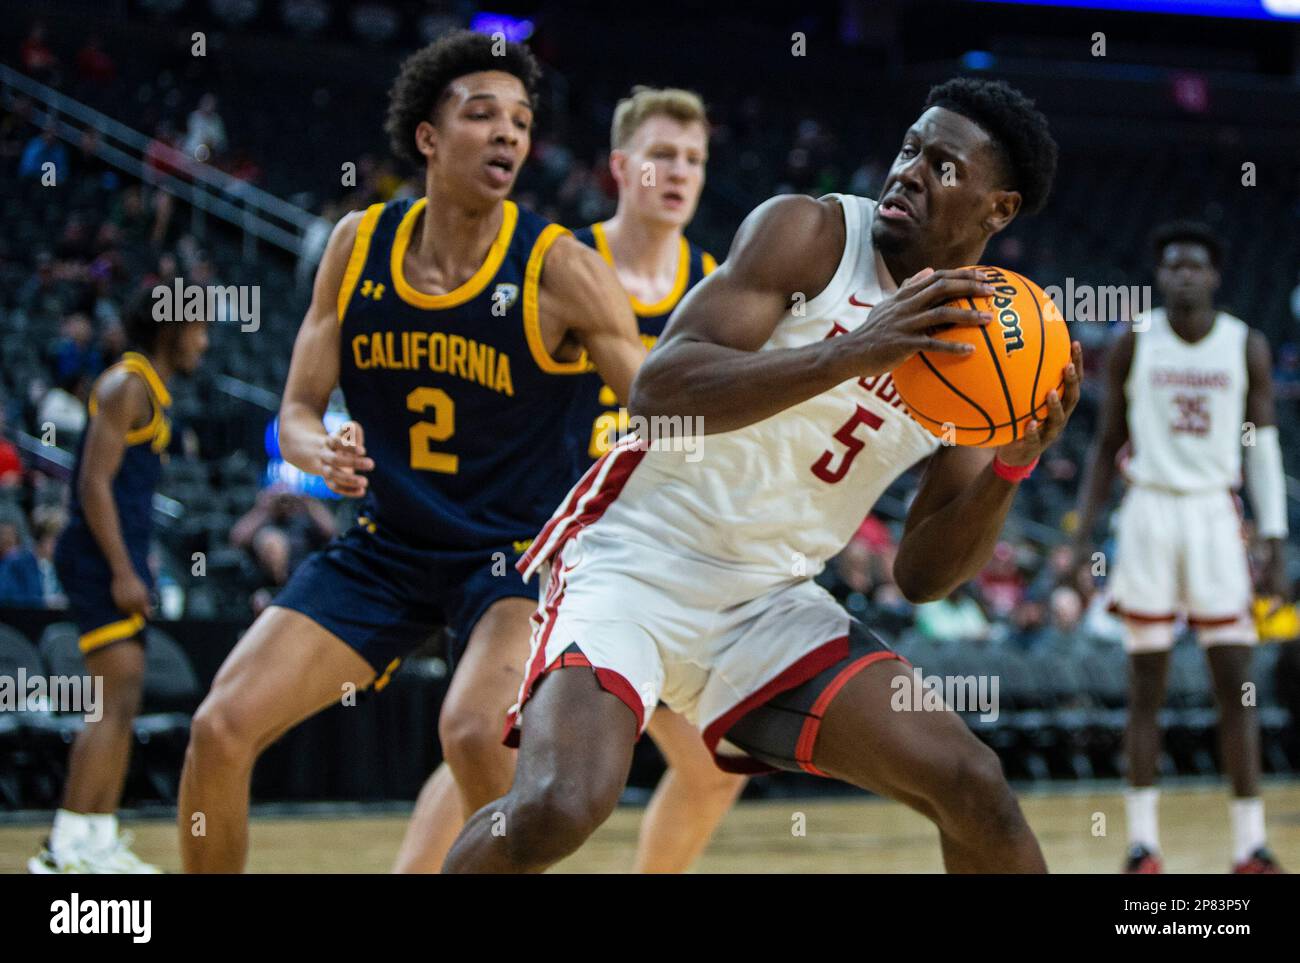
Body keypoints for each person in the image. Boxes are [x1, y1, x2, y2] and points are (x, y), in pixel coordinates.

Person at [444, 77, 1078, 873]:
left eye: (944, 166)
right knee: (557, 803)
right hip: (633, 558)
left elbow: (920, 576)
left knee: (972, 781)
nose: (910, 171)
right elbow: (657, 392)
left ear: (999, 209)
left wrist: (1014, 463)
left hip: (766, 600)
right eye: (911, 148)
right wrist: (849, 352)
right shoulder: (809, 233)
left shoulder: (991, 349)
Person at [176, 30, 645, 873]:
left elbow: (656, 402)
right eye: (482, 114)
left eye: (521, 120)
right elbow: (295, 410)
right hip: (388, 545)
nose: (508, 133)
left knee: (470, 729)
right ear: (427, 138)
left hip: (515, 554)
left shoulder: (558, 267)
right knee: (220, 726)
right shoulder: (358, 246)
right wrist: (318, 449)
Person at [393, 86, 744, 874]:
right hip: (551, 552)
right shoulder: (556, 263)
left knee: (714, 765)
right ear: (620, 167)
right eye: (660, 155)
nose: (678, 172)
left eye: (693, 159)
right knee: (490, 741)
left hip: (661, 560)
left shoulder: (719, 283)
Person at [1072, 220, 1288, 874]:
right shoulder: (1133, 342)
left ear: (1215, 275)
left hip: (1215, 515)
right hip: (1148, 512)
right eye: (1172, 265)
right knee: (1146, 687)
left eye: (1195, 265)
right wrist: (1083, 535)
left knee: (1236, 684)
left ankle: (1249, 844)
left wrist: (1273, 535)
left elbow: (1264, 448)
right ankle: (1142, 843)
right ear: (1159, 274)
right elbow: (1107, 445)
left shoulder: (1243, 344)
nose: (1183, 274)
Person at [28, 290, 209, 873]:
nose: (204, 341)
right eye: (197, 329)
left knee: (123, 699)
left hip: (116, 557)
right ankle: (65, 849)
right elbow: (92, 486)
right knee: (109, 702)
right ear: (170, 329)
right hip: (96, 561)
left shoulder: (151, 393)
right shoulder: (125, 385)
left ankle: (95, 839)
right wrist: (125, 571)